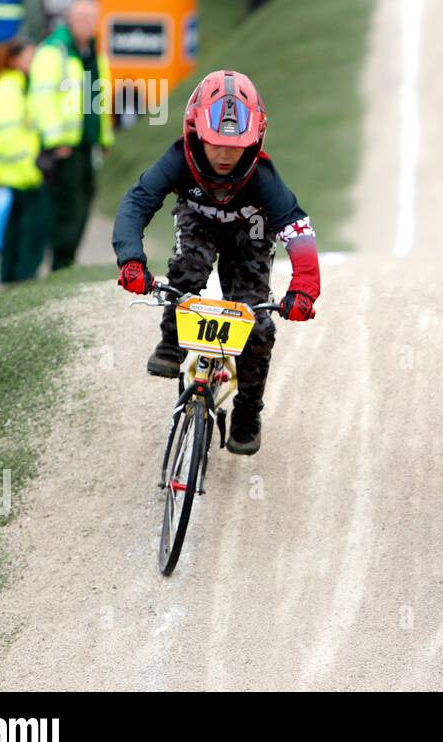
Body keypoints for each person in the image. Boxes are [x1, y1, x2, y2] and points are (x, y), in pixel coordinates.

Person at [112, 70, 321, 456]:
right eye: (214, 144)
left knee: (256, 323)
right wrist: (131, 260)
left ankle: (247, 411)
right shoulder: (178, 159)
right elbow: (137, 202)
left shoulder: (262, 176)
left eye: (235, 146)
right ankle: (172, 341)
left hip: (251, 235)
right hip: (197, 222)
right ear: (195, 134)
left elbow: (298, 228)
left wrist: (304, 288)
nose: (224, 156)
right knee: (189, 267)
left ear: (254, 141)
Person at [31, 0, 113, 270]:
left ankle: (67, 260)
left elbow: (99, 100)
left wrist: (104, 138)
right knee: (67, 205)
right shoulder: (54, 51)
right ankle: (60, 263)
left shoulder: (94, 54)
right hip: (65, 146)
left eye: (91, 18)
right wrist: (56, 141)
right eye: (81, 17)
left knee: (85, 199)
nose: (87, 23)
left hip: (87, 144)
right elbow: (42, 98)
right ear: (70, 19)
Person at [0, 38, 47, 283]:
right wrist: (32, 165)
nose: (34, 61)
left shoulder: (16, 85)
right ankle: (24, 273)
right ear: (16, 60)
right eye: (29, 56)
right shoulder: (9, 88)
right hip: (21, 170)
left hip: (20, 169)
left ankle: (12, 274)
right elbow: (11, 134)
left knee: (16, 220)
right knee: (30, 223)